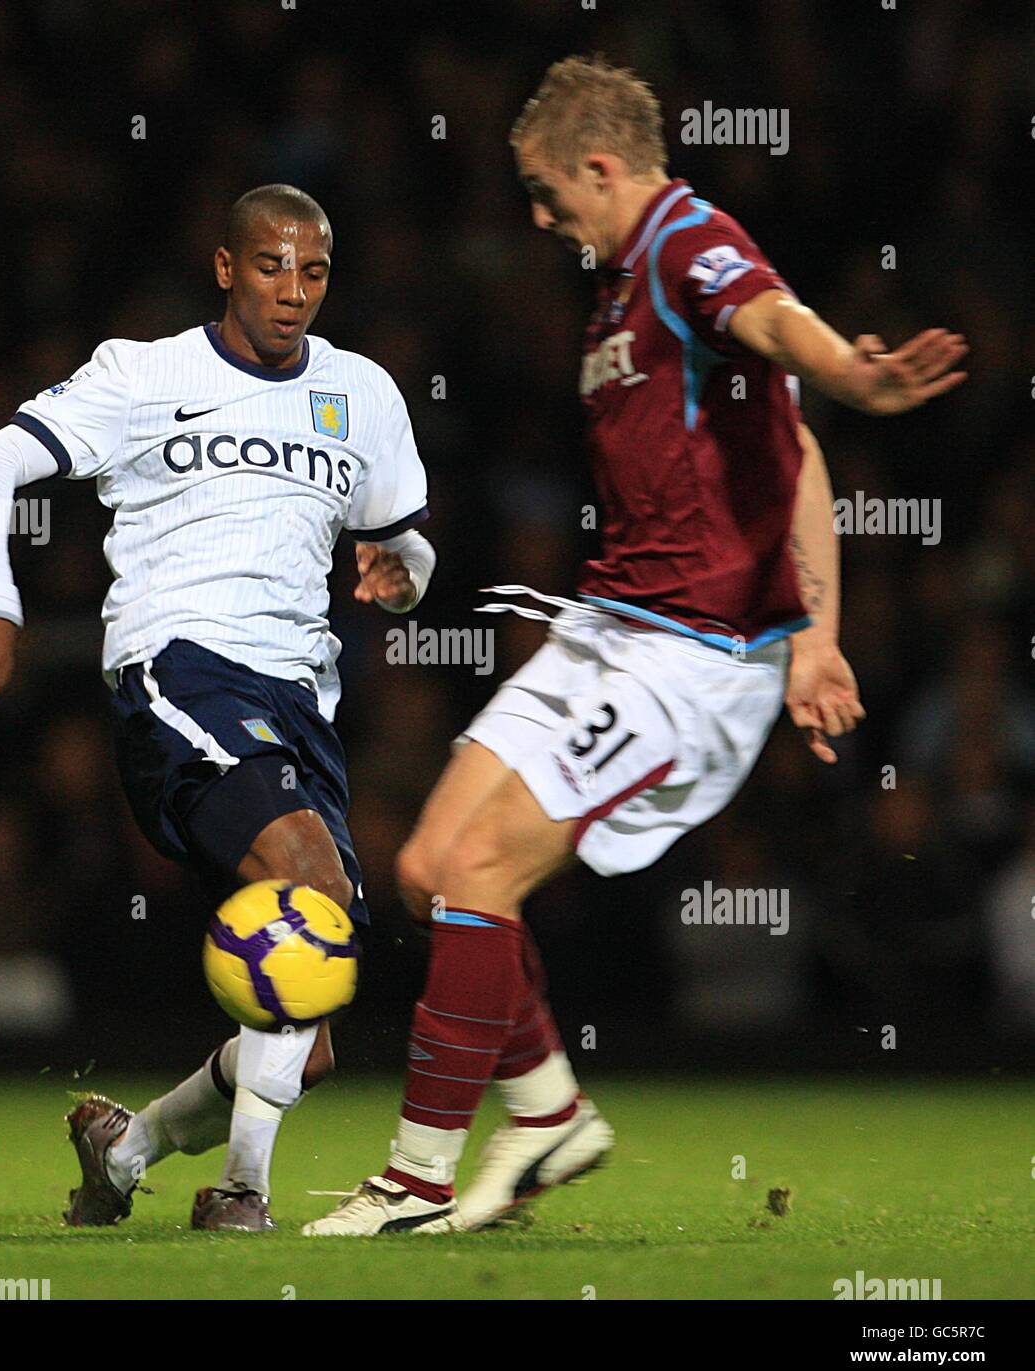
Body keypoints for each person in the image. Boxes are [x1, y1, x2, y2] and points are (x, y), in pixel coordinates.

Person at [304, 55, 966, 1236]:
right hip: (606, 625)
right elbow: (792, 454)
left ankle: (412, 1179)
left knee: (477, 875)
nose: (538, 216)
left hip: (692, 654)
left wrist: (853, 378)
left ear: (601, 166)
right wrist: (822, 631)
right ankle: (550, 1110)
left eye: (548, 191)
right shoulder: (619, 286)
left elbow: (777, 323)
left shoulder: (681, 242)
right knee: (424, 865)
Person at [0, 184, 435, 1232]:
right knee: (306, 887)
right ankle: (243, 1191)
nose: (292, 292)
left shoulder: (364, 393)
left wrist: (406, 568)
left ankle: (130, 1148)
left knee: (312, 1019)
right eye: (268, 266)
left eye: (313, 271)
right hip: (179, 673)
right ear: (223, 266)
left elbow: (408, 539)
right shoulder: (143, 373)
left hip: (299, 705)